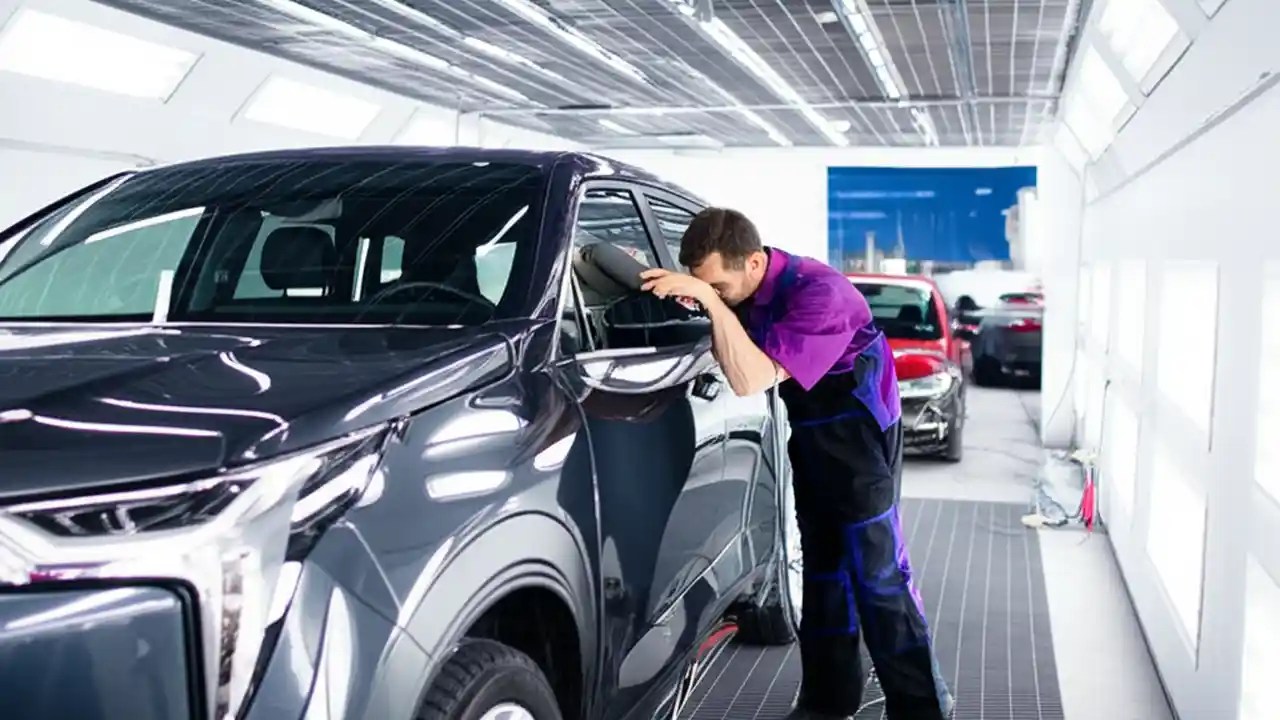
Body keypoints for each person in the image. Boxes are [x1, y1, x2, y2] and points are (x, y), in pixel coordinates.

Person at [640, 208, 954, 720]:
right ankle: (828, 703)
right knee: (824, 579)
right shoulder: (742, 287)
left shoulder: (822, 295)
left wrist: (709, 304)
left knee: (878, 579)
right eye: (706, 287)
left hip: (859, 445)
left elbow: (750, 377)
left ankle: (923, 707)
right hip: (811, 438)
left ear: (755, 263)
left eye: (720, 285)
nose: (715, 296)